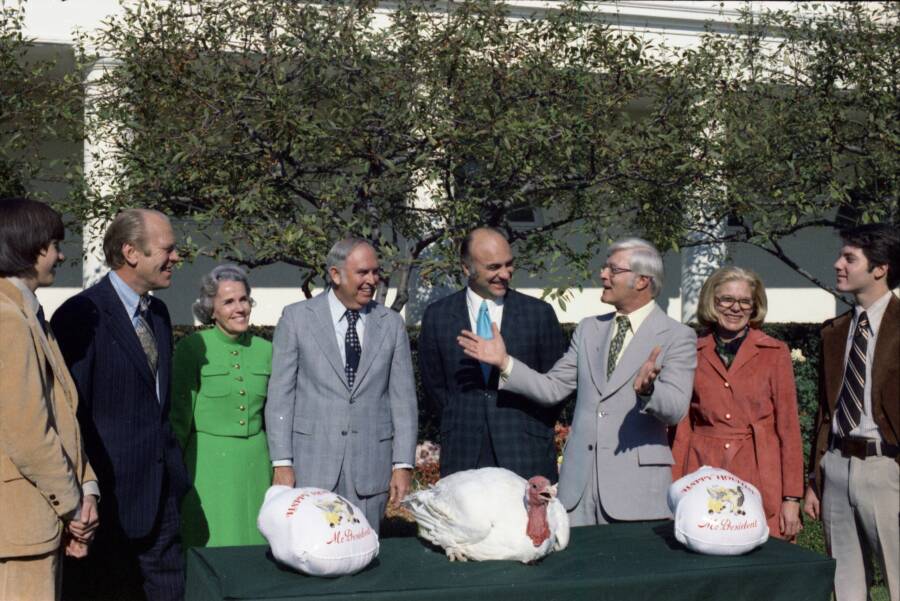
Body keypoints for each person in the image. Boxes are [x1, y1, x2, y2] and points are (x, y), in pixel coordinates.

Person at [459, 237, 696, 525]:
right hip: (578, 492)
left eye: (613, 270)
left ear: (642, 281)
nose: (603, 275)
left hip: (635, 493)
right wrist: (504, 362)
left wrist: (649, 391)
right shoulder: (588, 329)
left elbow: (676, 409)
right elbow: (552, 388)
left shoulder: (677, 336)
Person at [52, 209, 190, 601]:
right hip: (107, 506)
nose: (176, 257)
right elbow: (70, 414)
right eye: (168, 249)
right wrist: (83, 494)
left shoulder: (158, 314)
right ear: (131, 252)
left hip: (162, 498)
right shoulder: (82, 316)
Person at [265, 238, 417, 533]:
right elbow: (281, 397)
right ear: (335, 275)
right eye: (363, 272)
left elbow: (404, 402)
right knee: (312, 552)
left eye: (376, 272)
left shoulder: (391, 324)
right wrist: (282, 462)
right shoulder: (296, 319)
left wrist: (403, 465)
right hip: (312, 467)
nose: (372, 280)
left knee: (366, 554)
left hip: (370, 469)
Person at [0, 197, 99, 601]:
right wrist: (74, 507)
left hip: (34, 523)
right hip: (19, 529)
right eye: (55, 244)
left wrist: (87, 488)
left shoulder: (27, 314)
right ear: (31, 246)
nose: (60, 255)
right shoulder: (8, 320)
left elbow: (63, 418)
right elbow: (28, 433)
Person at [418, 227, 566, 481]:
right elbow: (435, 386)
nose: (505, 274)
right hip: (463, 452)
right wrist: (462, 420)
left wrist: (531, 426)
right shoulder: (438, 316)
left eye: (509, 265)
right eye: (494, 267)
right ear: (467, 268)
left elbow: (558, 386)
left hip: (525, 451)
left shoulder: (539, 314)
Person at [671, 266, 803, 539]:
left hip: (758, 468)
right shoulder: (691, 350)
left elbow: (789, 429)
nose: (736, 308)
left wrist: (791, 497)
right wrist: (676, 485)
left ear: (754, 306)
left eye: (745, 301)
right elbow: (682, 426)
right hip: (702, 467)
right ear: (711, 301)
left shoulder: (774, 352)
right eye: (726, 300)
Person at [803, 223, 899, 601]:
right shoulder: (834, 331)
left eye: (849, 258)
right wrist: (816, 473)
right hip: (837, 469)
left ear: (880, 268)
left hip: (887, 469)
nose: (837, 264)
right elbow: (825, 412)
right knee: (844, 586)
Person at [170, 265, 272, 547]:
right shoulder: (192, 348)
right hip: (207, 467)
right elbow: (179, 420)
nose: (240, 308)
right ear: (210, 309)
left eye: (244, 299)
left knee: (256, 545)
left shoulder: (267, 351)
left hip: (256, 466)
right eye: (228, 302)